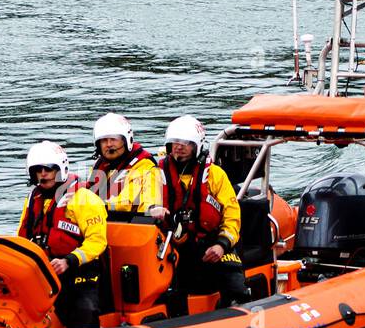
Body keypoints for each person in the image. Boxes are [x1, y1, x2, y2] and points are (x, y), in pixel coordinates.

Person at [156, 115, 249, 313]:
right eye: (175, 142)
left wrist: (221, 245)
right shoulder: (156, 174)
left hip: (212, 241)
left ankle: (236, 314)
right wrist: (152, 210)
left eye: (186, 143)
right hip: (175, 242)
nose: (179, 147)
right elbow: (140, 202)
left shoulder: (216, 175)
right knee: (169, 288)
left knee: (234, 283)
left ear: (197, 146)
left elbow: (232, 216)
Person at [18, 141, 108, 328]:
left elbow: (97, 241)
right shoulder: (33, 200)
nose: (43, 174)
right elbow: (22, 238)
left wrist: (68, 261)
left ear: (60, 169)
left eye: (48, 169)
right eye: (38, 169)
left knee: (85, 310)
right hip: (44, 274)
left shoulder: (84, 198)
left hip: (80, 275)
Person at [88, 112, 163, 216]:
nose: (109, 144)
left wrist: (92, 205)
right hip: (102, 222)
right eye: (104, 140)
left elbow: (127, 202)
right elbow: (89, 191)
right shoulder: (99, 165)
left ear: (126, 140)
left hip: (133, 224)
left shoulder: (144, 166)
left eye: (113, 139)